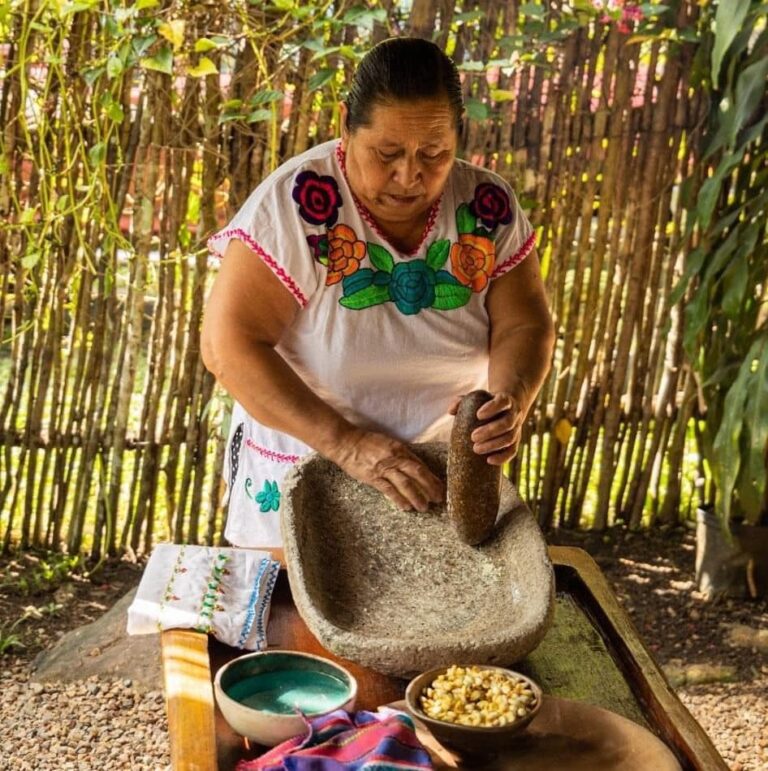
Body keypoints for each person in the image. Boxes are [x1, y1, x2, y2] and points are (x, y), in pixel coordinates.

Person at [201, 37, 554, 548]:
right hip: (307, 463)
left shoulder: (486, 205)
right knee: (299, 598)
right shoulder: (297, 205)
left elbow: (524, 323)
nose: (409, 175)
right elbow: (228, 347)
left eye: (434, 153)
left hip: (436, 480)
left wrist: (511, 399)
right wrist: (345, 444)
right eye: (387, 153)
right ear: (345, 124)